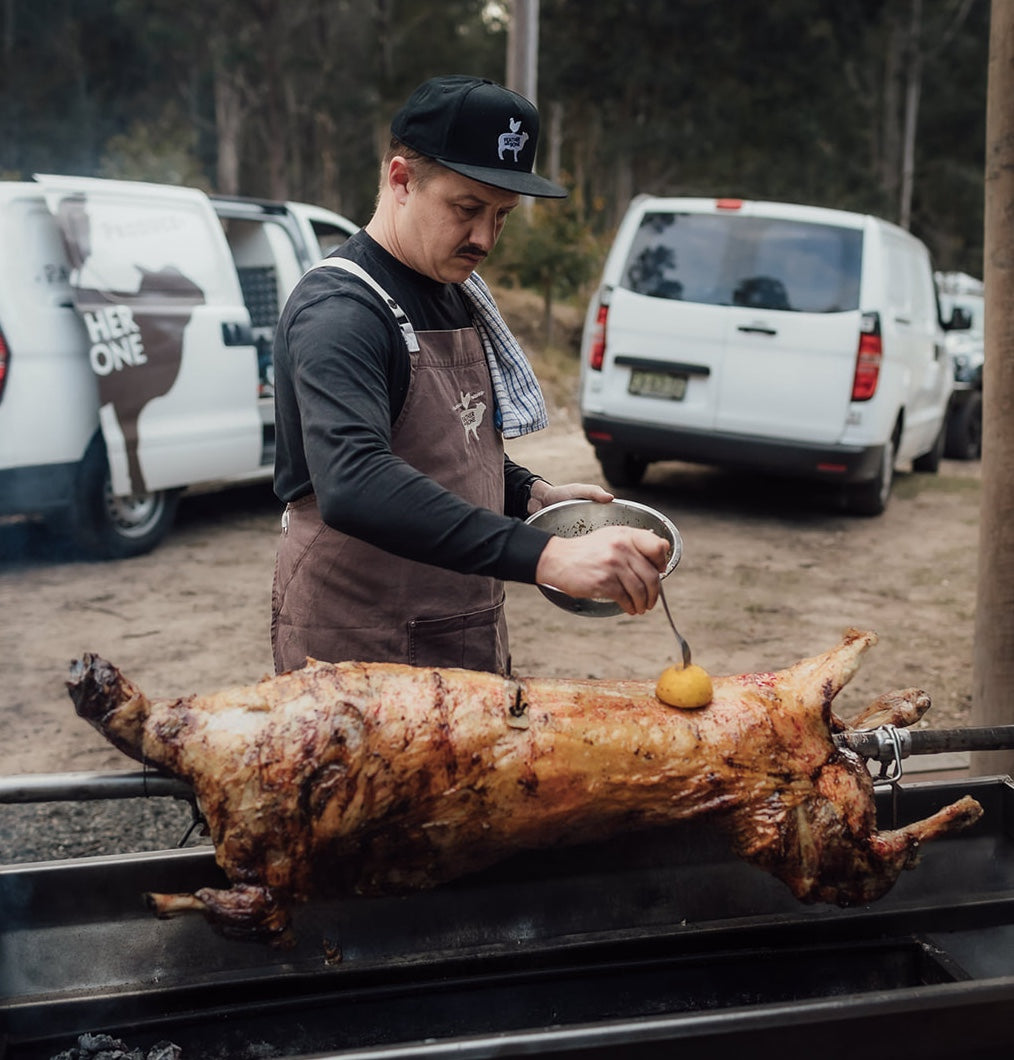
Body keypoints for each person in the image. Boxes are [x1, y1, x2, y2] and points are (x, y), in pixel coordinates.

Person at [271, 74, 667, 675]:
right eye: (467, 208)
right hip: (357, 656)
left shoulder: (454, 292)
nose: (484, 237)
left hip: (461, 637)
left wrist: (529, 496)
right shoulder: (342, 310)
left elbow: (448, 445)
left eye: (503, 215)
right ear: (401, 180)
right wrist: (546, 556)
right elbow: (354, 480)